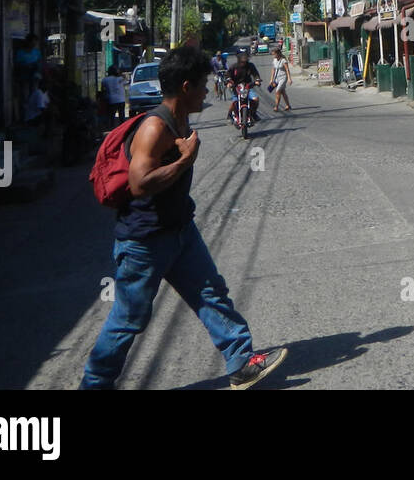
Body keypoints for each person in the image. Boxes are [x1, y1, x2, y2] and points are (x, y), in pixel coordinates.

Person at [80, 46, 287, 390]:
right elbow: (139, 183)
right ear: (187, 86)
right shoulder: (154, 127)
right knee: (129, 318)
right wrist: (184, 161)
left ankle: (240, 362)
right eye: (204, 84)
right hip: (144, 241)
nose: (208, 90)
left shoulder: (181, 118)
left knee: (212, 294)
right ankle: (95, 385)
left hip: (180, 231)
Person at [227, 51, 262, 123]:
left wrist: (257, 80)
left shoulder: (251, 65)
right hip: (236, 87)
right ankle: (229, 114)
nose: (244, 57)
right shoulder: (234, 66)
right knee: (235, 101)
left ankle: (253, 113)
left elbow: (255, 74)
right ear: (238, 57)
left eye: (245, 55)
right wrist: (229, 82)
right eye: (242, 56)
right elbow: (228, 76)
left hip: (248, 86)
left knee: (256, 99)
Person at [269, 47, 292, 111]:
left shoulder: (283, 60)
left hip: (283, 78)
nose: (273, 55)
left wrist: (289, 79)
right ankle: (288, 105)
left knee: (277, 91)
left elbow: (287, 69)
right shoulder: (274, 60)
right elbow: (273, 70)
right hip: (277, 78)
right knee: (283, 92)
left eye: (274, 54)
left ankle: (276, 106)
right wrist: (271, 79)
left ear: (278, 54)